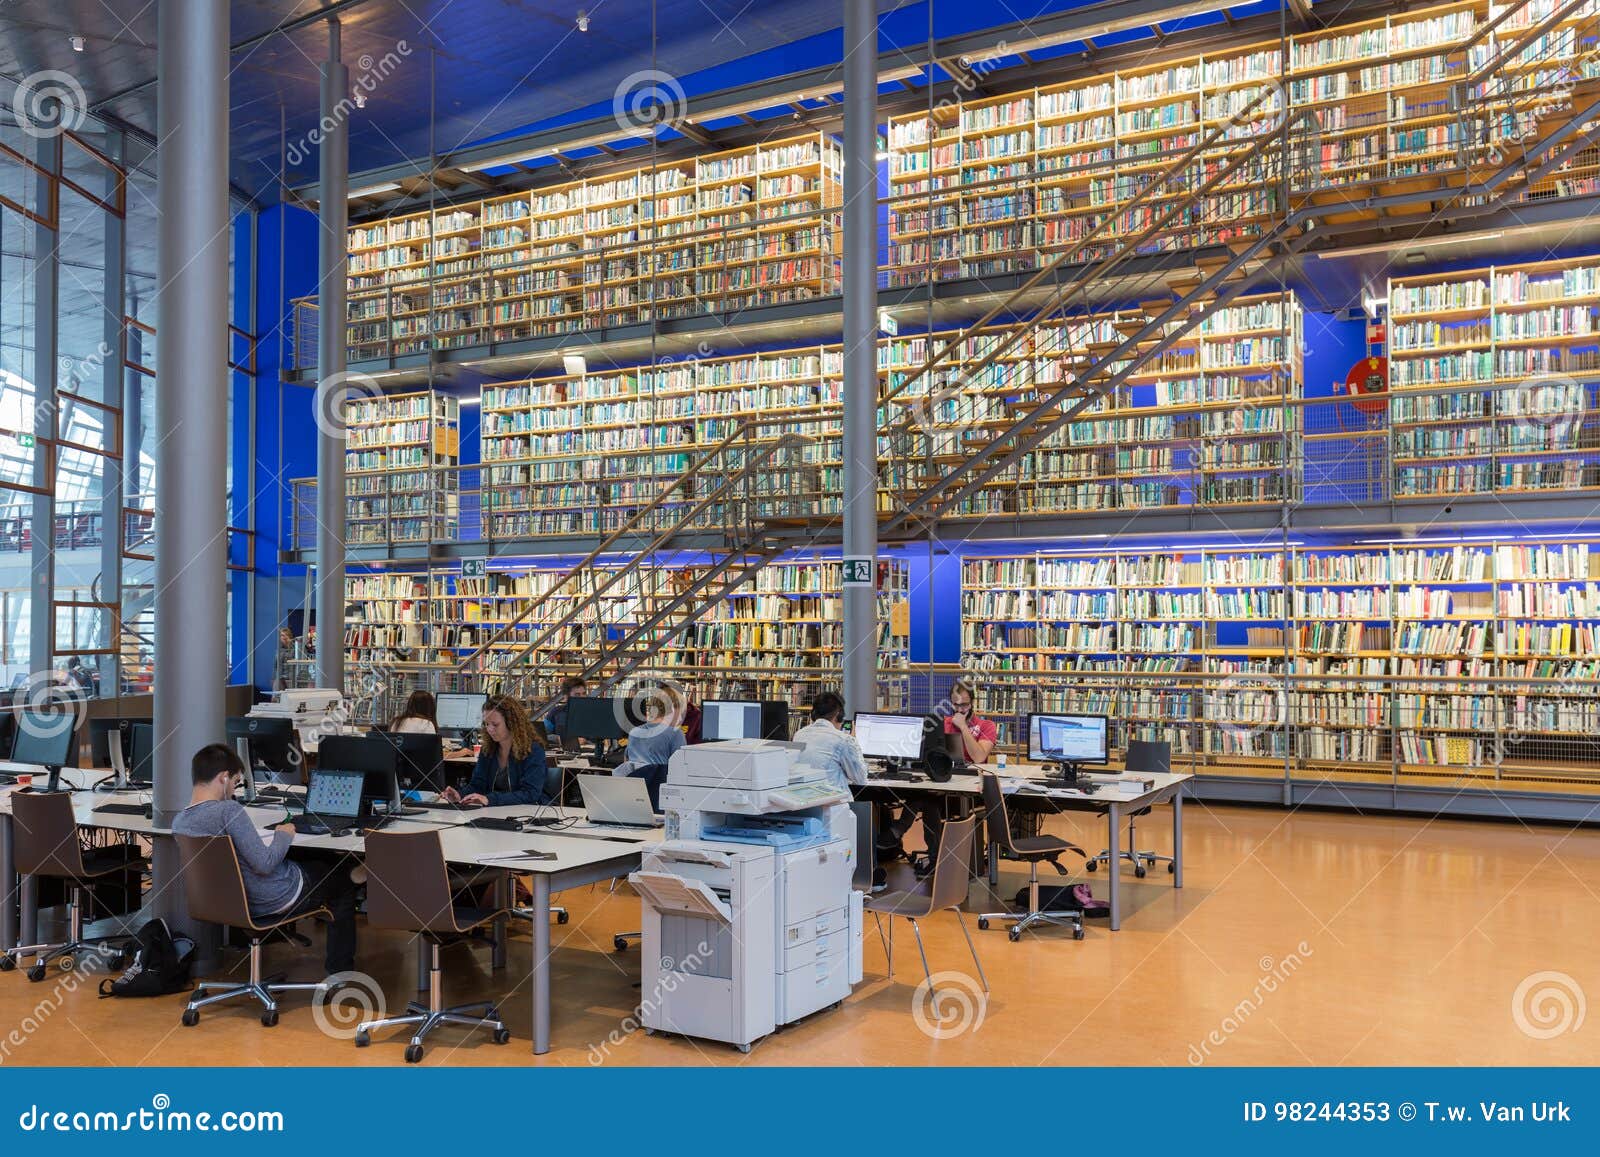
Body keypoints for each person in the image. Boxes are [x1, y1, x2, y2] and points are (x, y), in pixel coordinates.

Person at [171, 744, 358, 974]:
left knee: (310, 859)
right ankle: (340, 974)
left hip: (229, 904)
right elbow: (264, 864)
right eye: (236, 783)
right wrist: (283, 834)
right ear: (223, 778)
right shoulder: (228, 811)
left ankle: (351, 871)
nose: (233, 791)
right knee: (342, 883)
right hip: (273, 897)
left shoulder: (180, 822)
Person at [441, 695, 554, 808]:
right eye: (486, 724)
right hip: (495, 811)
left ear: (511, 723)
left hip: (529, 812)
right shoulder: (488, 749)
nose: (489, 729)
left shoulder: (532, 750)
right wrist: (459, 795)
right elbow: (477, 786)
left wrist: (489, 799)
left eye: (495, 724)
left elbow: (530, 794)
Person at [791, 691, 867, 792]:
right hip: (832, 803)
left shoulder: (799, 734)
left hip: (805, 800)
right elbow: (860, 780)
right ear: (839, 715)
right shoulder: (843, 740)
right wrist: (854, 742)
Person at [623, 687, 685, 810]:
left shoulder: (634, 732)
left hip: (635, 797)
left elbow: (626, 763)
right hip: (662, 798)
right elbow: (681, 770)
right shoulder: (675, 733)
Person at [944, 681, 998, 764]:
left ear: (972, 703)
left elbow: (979, 758)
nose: (959, 710)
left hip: (974, 775)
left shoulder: (987, 726)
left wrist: (963, 726)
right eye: (955, 705)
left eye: (964, 705)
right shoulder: (943, 723)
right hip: (947, 772)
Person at [546, 675, 588, 741]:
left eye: (584, 693)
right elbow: (543, 735)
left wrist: (585, 741)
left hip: (590, 750)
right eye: (577, 695)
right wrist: (560, 739)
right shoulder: (555, 712)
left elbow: (601, 738)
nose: (582, 697)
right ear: (566, 697)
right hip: (562, 750)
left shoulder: (592, 712)